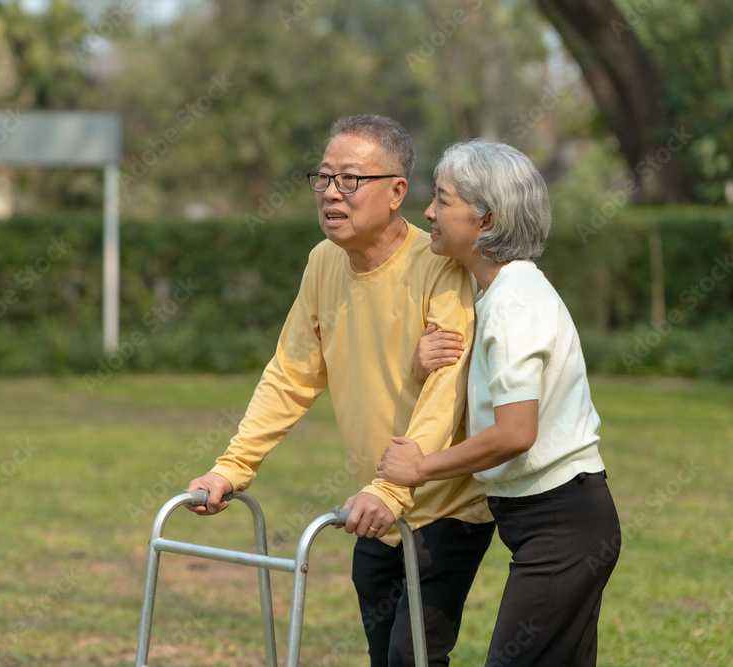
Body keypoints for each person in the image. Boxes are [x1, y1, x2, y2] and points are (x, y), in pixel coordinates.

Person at [186, 114, 495, 666]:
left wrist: (391, 490)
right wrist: (231, 468)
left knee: (411, 657)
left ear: (397, 191)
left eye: (350, 180)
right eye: (323, 178)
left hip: (443, 510)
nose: (331, 193)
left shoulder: (438, 264)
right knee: (385, 657)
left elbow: (446, 389)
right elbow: (290, 376)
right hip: (371, 508)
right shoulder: (323, 262)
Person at [376, 139, 621, 666]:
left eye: (441, 200)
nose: (427, 213)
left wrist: (419, 468)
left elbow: (515, 433)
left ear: (485, 220)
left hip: (561, 524)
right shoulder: (497, 292)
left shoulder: (512, 304)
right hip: (556, 521)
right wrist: (421, 363)